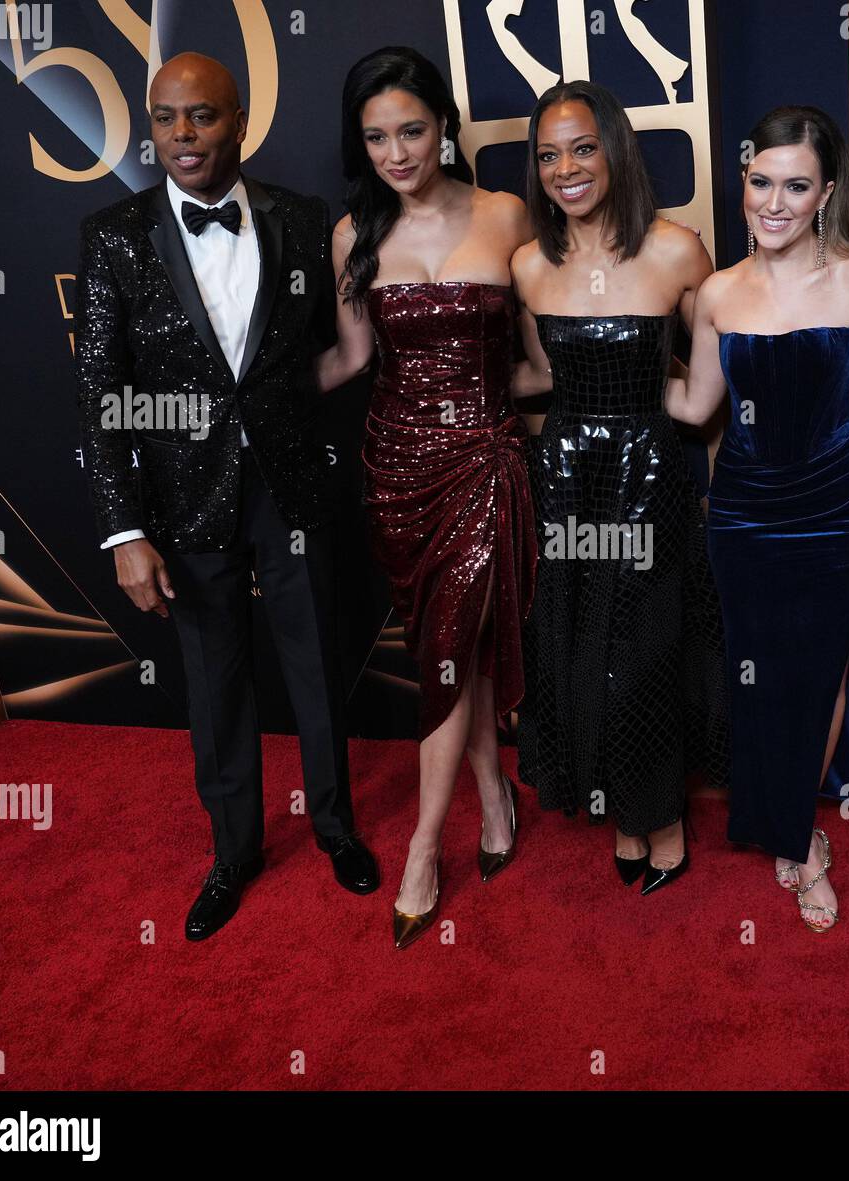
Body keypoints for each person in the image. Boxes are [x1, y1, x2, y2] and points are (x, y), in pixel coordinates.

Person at [74, 53, 378, 942]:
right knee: (217, 685)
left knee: (318, 667)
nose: (182, 136)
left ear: (238, 120)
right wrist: (124, 528)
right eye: (165, 119)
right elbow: (103, 393)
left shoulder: (301, 218)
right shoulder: (113, 236)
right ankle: (234, 852)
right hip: (182, 500)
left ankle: (335, 827)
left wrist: (276, 413)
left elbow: (319, 353)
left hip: (290, 487)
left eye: (201, 117)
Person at [315, 47, 537, 949]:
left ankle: (420, 848)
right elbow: (354, 358)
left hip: (484, 461)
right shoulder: (352, 235)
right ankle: (493, 796)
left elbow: (535, 354)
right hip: (396, 470)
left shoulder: (506, 213)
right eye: (376, 138)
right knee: (460, 646)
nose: (397, 153)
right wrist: (254, 391)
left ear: (445, 125)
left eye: (411, 130)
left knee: (450, 643)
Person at [666, 105, 849, 933]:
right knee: (759, 674)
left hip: (839, 510)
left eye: (798, 186)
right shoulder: (720, 290)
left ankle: (801, 837)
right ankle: (779, 814)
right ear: (745, 179)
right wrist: (598, 373)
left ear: (826, 191)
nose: (775, 202)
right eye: (762, 181)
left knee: (823, 670)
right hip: (747, 515)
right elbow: (695, 404)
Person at [511, 80, 729, 894]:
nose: (565, 168)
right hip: (565, 478)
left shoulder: (677, 251)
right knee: (578, 644)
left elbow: (703, 391)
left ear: (614, 151)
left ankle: (658, 816)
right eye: (547, 155)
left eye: (582, 148)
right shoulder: (530, 263)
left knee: (646, 652)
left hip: (651, 477)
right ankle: (612, 802)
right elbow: (540, 372)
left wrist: (645, 405)